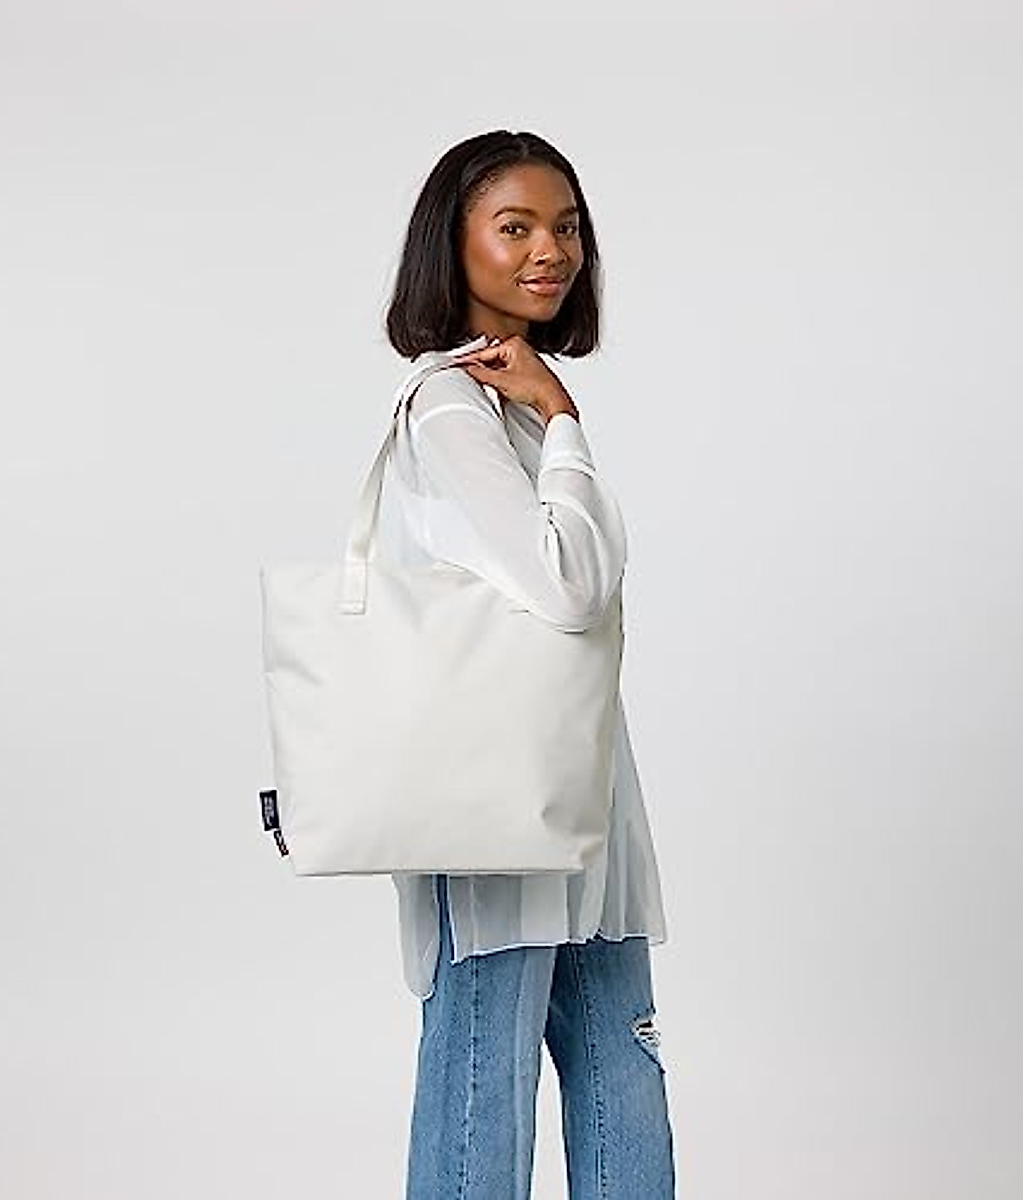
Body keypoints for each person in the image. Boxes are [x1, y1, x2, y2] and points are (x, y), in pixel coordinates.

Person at [378, 129, 675, 1199]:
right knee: (481, 1080)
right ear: (451, 245)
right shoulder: (449, 405)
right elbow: (571, 584)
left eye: (567, 227)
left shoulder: (510, 402)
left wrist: (546, 411)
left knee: (621, 1071)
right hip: (493, 811)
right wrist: (563, 417)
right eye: (515, 227)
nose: (551, 250)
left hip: (578, 801)